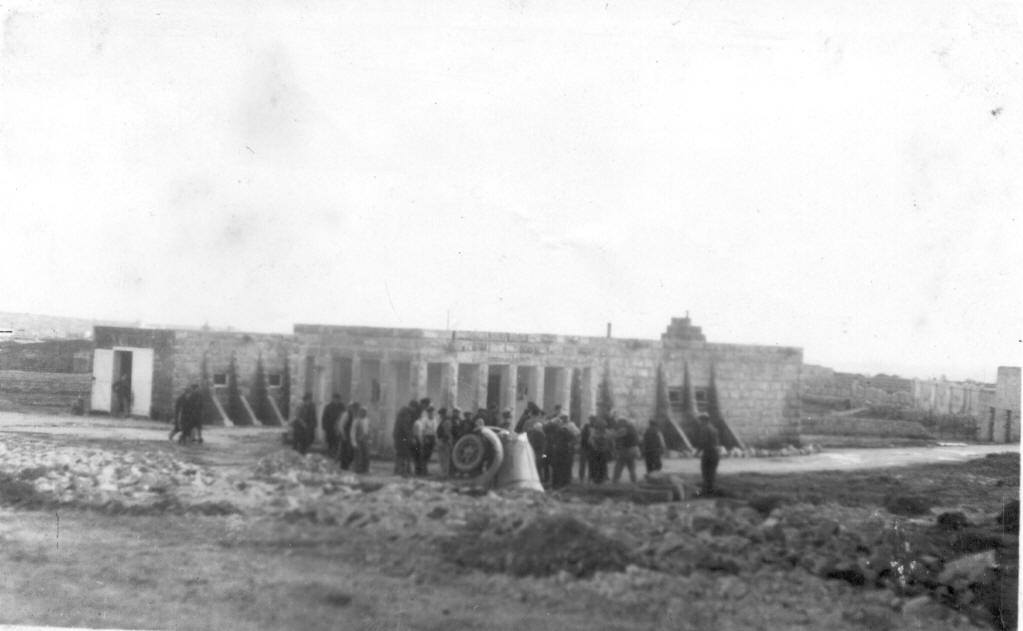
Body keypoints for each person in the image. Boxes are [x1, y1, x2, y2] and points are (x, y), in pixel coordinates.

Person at [550, 414, 579, 489]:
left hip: (561, 452)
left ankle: (559, 483)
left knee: (560, 468)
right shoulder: (561, 430)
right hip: (562, 452)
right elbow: (575, 437)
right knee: (562, 468)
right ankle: (562, 483)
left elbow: (574, 437)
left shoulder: (563, 430)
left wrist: (570, 445)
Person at [695, 413, 720, 495]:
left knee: (706, 472)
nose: (700, 422)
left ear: (704, 420)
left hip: (708, 453)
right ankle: (711, 490)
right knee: (712, 472)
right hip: (715, 453)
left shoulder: (704, 429)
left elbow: (703, 442)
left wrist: (697, 452)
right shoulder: (714, 429)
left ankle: (707, 491)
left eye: (700, 420)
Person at [393, 400, 418, 476]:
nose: (414, 410)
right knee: (403, 454)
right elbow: (405, 427)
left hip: (398, 436)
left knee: (400, 454)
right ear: (412, 406)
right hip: (402, 437)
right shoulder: (406, 413)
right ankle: (402, 471)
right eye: (414, 408)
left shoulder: (403, 412)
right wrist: (410, 437)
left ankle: (399, 470)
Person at [612, 417, 640, 484]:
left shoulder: (624, 429)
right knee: (631, 466)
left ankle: (615, 480)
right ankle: (634, 480)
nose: (618, 424)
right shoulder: (632, 428)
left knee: (619, 464)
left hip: (626, 450)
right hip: (634, 450)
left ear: (623, 423)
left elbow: (614, 436)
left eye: (619, 423)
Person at [588, 417, 612, 483]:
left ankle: (600, 478)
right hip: (598, 451)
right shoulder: (596, 432)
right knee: (598, 465)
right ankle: (598, 478)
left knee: (601, 465)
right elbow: (590, 441)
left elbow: (590, 441)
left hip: (601, 451)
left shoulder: (604, 432)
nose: (602, 427)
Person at [321, 393, 345, 458]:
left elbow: (344, 416)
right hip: (330, 427)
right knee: (330, 440)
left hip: (339, 427)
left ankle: (336, 454)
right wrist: (324, 427)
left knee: (337, 441)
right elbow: (324, 417)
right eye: (335, 399)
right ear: (333, 399)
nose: (336, 400)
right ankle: (330, 453)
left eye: (337, 399)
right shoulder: (328, 406)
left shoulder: (342, 407)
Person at [338, 402, 360, 470]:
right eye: (354, 407)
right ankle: (344, 466)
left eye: (356, 408)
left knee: (352, 451)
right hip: (346, 434)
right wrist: (343, 435)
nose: (355, 409)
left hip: (353, 435)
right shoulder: (346, 414)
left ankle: (348, 464)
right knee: (345, 451)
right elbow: (341, 425)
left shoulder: (356, 415)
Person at [352, 408, 372, 474]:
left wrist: (370, 439)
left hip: (365, 440)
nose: (363, 413)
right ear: (359, 413)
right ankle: (358, 469)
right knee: (359, 455)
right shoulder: (356, 421)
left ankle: (366, 469)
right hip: (358, 439)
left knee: (367, 455)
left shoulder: (368, 420)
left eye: (364, 412)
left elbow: (369, 430)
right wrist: (354, 442)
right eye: (362, 412)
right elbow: (353, 432)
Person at [418, 406, 437, 476]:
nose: (431, 413)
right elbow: (422, 430)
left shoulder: (434, 419)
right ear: (427, 413)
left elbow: (435, 430)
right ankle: (423, 471)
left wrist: (435, 439)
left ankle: (425, 470)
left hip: (432, 437)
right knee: (425, 455)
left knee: (429, 455)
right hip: (426, 437)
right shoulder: (425, 420)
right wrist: (424, 439)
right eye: (430, 412)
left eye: (432, 412)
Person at [435, 408, 453, 478]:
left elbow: (447, 432)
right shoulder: (443, 421)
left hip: (445, 441)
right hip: (442, 440)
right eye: (441, 414)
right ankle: (443, 473)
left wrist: (445, 440)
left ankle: (445, 474)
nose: (441, 415)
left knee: (445, 458)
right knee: (442, 458)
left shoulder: (446, 421)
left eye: (442, 414)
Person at [578, 415, 594, 482]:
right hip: (587, 447)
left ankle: (586, 478)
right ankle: (585, 478)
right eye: (591, 419)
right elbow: (582, 437)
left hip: (587, 447)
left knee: (587, 464)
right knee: (587, 463)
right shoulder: (587, 427)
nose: (591, 420)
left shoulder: (586, 427)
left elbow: (582, 437)